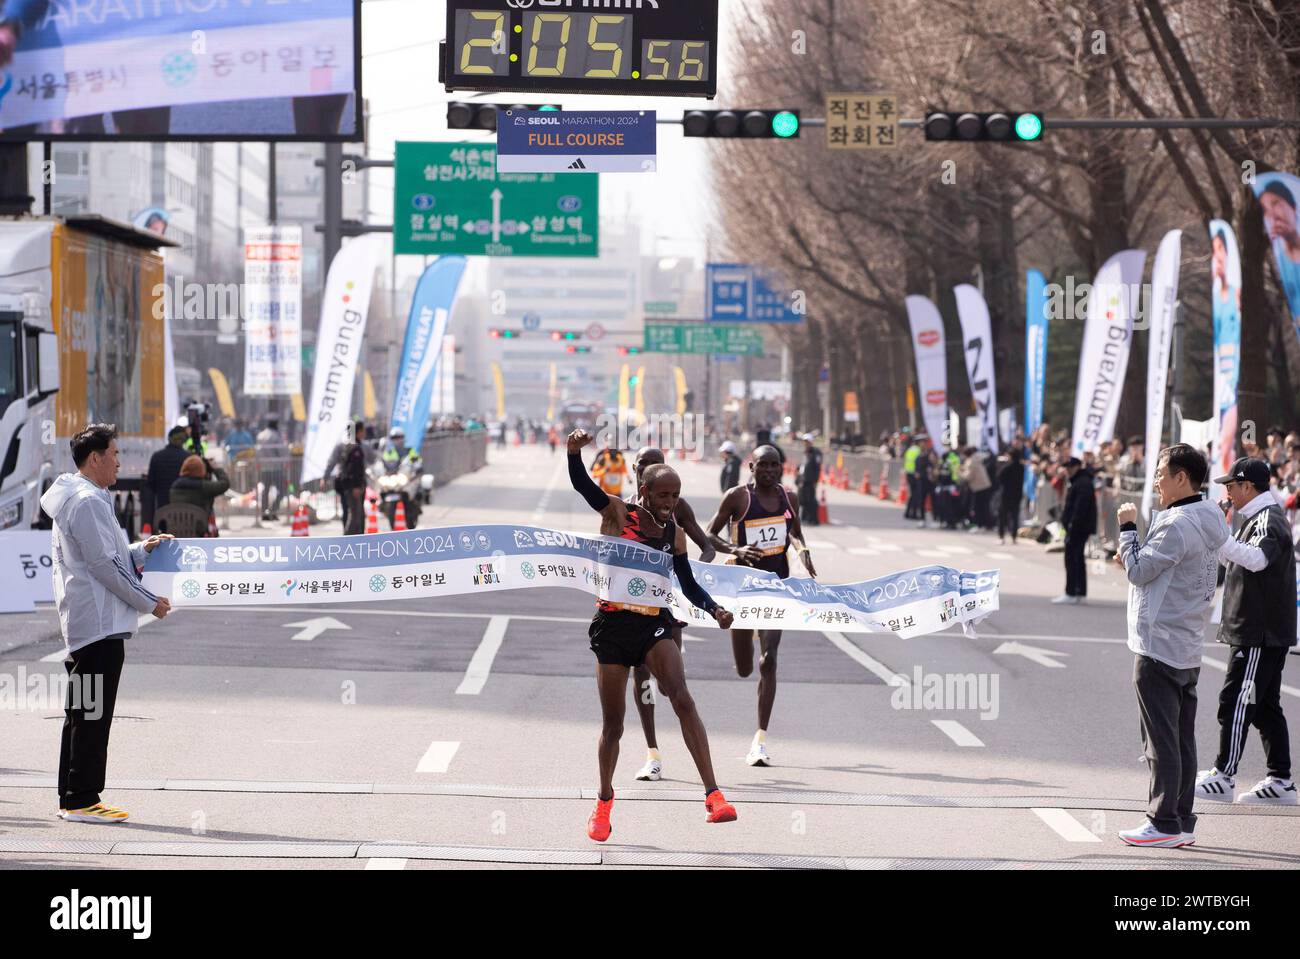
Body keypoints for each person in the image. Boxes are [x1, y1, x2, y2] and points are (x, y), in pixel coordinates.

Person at [566, 429, 738, 841]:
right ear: (644, 491)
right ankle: (604, 801)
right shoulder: (618, 514)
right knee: (614, 725)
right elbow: (583, 487)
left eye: (675, 496)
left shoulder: (674, 533)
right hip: (612, 626)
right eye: (662, 496)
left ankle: (714, 796)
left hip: (653, 624)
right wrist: (574, 453)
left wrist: (714, 608)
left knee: (682, 697)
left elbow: (688, 583)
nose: (669, 504)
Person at [40, 424, 173, 824]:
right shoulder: (87, 502)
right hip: (98, 623)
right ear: (94, 457)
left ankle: (73, 796)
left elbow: (106, 554)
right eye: (114, 453)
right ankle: (83, 799)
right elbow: (102, 565)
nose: (119, 460)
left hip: (90, 621)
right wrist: (149, 602)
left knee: (82, 712)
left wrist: (139, 550)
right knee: (91, 715)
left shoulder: (85, 497)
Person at [1113, 444, 1229, 847]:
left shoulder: (1176, 522)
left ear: (1182, 478)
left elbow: (1140, 571)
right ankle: (1179, 822)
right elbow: (1161, 568)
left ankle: (1161, 823)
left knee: (1160, 740)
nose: (1157, 481)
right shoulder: (1211, 516)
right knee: (1180, 737)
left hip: (1158, 643)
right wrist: (1134, 556)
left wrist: (1128, 529)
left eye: (1162, 473)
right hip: (1186, 641)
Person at [1195, 458, 1298, 805]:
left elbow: (1257, 559)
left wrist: (1220, 535)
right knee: (1265, 704)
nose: (1227, 492)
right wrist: (1221, 535)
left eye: (1231, 486)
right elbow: (1234, 560)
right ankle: (1280, 780)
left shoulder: (1270, 519)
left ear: (1248, 486)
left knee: (1237, 700)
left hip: (1259, 631)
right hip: (1256, 629)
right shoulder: (1254, 518)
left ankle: (1224, 775)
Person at [707, 445, 817, 766]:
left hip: (774, 589)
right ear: (751, 467)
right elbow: (710, 534)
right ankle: (743, 653)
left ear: (782, 468)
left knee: (768, 661)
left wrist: (802, 550)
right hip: (741, 587)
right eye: (763, 465)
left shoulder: (789, 497)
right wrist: (737, 549)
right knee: (744, 668)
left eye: (775, 465)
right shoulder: (737, 498)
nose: (769, 470)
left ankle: (760, 740)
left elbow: (794, 532)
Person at [625, 447, 717, 782]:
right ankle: (652, 752)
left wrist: (688, 575)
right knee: (640, 676)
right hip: (632, 609)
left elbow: (708, 547)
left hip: (667, 605)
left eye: (656, 465)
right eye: (644, 467)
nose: (648, 470)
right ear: (636, 471)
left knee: (669, 687)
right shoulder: (623, 508)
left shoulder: (676, 506)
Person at [1053, 457, 1096, 604]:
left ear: (1077, 467)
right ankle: (1078, 592)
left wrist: (1072, 525)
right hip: (1078, 526)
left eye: (1070, 467)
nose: (1067, 470)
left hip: (1078, 527)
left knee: (1072, 558)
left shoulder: (1082, 482)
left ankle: (1071, 592)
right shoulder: (1079, 480)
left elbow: (1080, 507)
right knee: (1076, 558)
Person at [143, 425, 190, 528]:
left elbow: (150, 483)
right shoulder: (188, 458)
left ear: (169, 439)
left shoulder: (157, 456)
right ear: (184, 440)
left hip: (162, 511)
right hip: (185, 514)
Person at [168, 455, 230, 525]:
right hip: (199, 530)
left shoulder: (174, 486)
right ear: (201, 469)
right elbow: (225, 484)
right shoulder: (203, 487)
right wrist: (216, 468)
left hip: (177, 529)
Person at [339, 422, 371, 536]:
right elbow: (354, 470)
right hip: (353, 487)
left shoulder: (347, 446)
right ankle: (347, 540)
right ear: (358, 432)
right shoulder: (354, 448)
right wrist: (356, 486)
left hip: (348, 486)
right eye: (362, 431)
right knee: (355, 515)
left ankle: (357, 539)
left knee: (356, 514)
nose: (364, 433)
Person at [797, 435, 822, 525]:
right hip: (803, 480)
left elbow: (817, 467)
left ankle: (814, 519)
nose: (806, 443)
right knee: (803, 499)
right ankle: (806, 517)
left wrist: (815, 480)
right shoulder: (805, 452)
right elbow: (802, 467)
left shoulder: (815, 452)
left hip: (810, 480)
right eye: (804, 442)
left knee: (811, 499)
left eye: (807, 441)